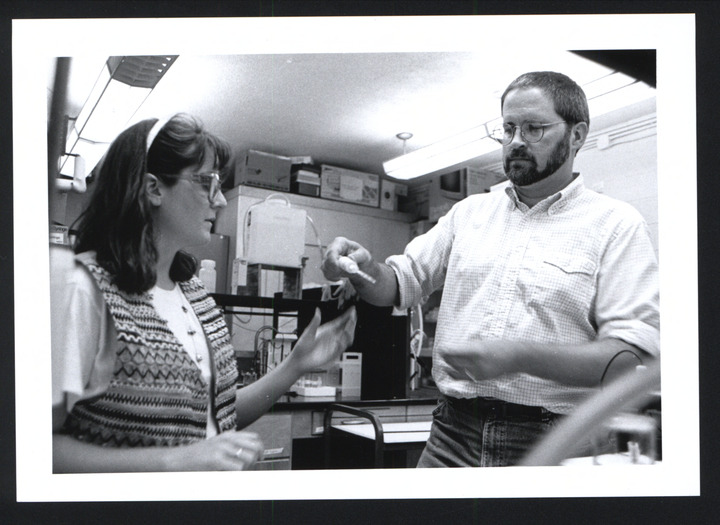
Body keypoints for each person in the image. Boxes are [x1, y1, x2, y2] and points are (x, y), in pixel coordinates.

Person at [321, 71, 660, 467]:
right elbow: (399, 283)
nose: (516, 142)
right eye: (508, 128)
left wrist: (519, 356)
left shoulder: (617, 225)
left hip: (558, 440)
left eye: (534, 129)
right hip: (452, 433)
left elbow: (627, 361)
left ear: (577, 135)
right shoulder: (468, 213)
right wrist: (364, 270)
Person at [51, 113, 357, 473]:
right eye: (206, 182)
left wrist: (296, 366)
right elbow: (35, 451)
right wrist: (173, 460)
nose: (220, 200)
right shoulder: (85, 288)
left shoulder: (194, 293)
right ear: (153, 188)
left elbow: (218, 414)